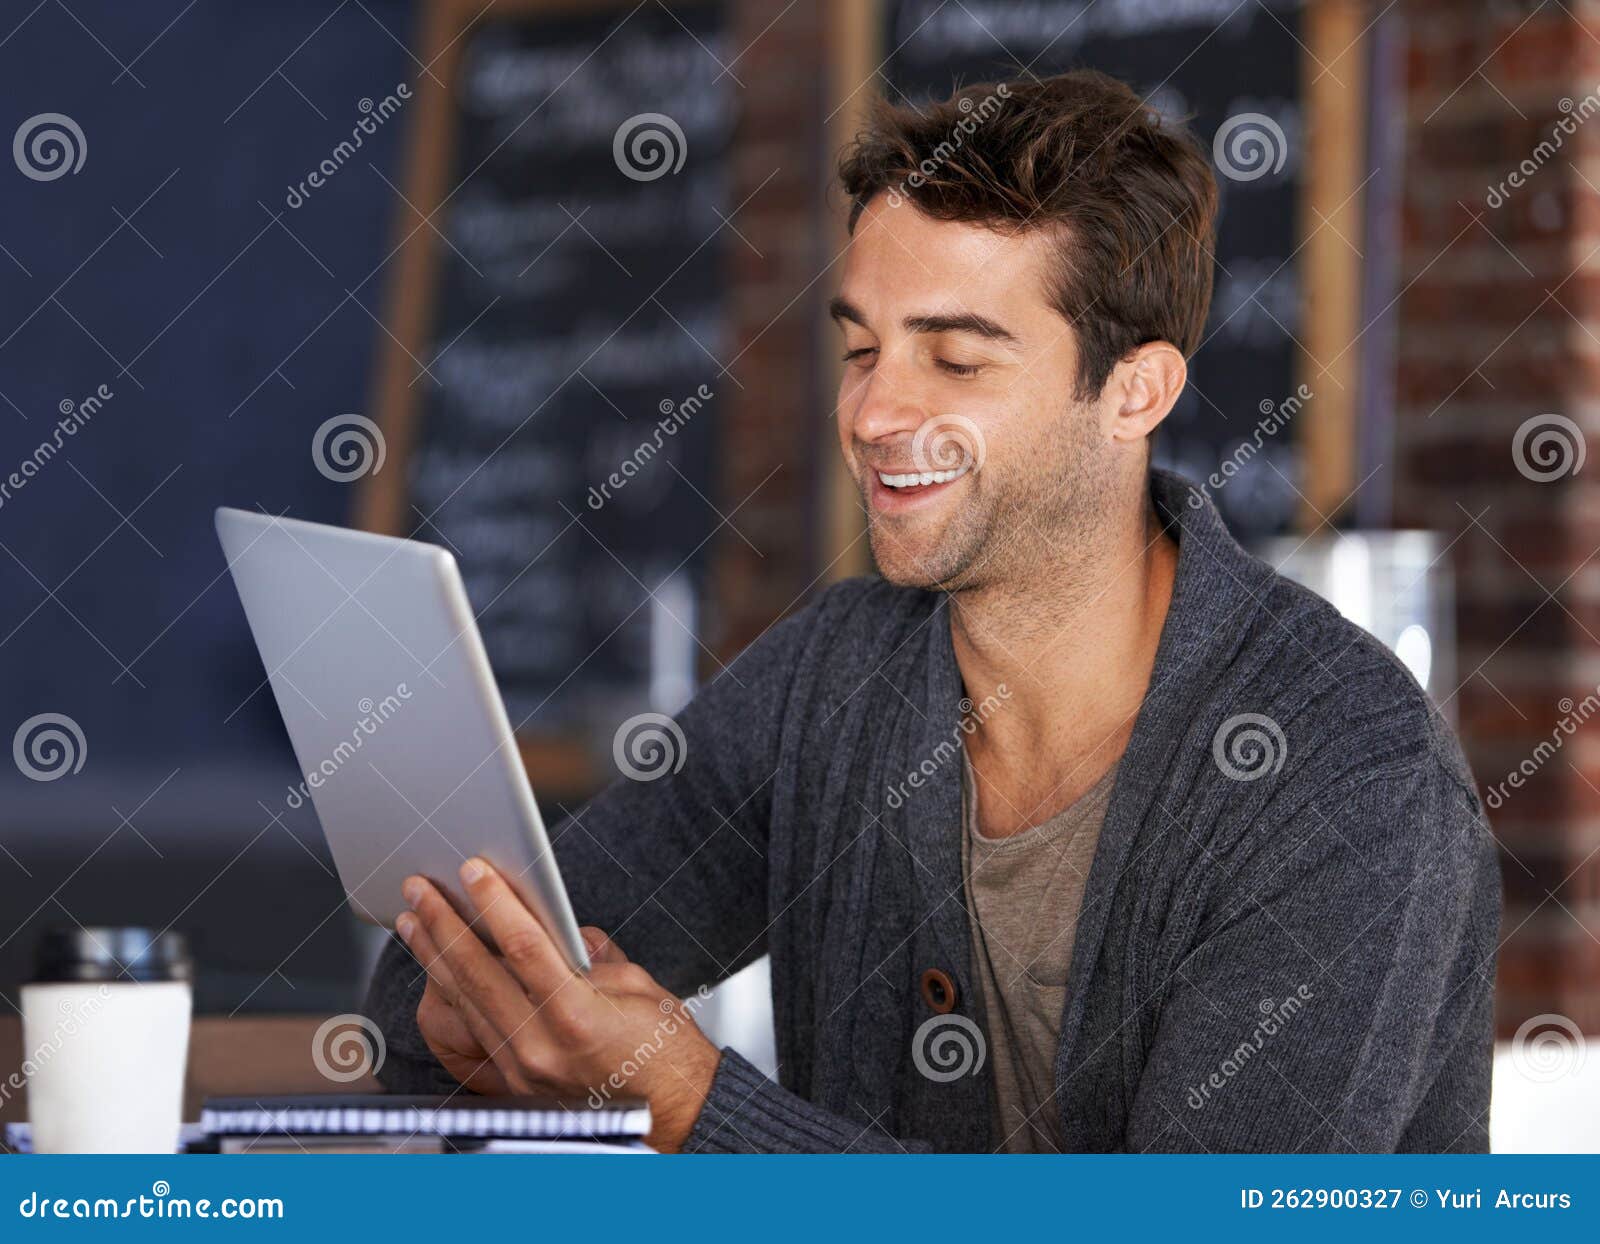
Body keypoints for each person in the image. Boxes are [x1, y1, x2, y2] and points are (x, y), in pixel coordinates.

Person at [366, 70, 1501, 1153]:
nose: (872, 411)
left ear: (1136, 390)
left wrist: (683, 1097)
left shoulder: (1347, 774)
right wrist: (487, 1016)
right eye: (862, 348)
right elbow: (424, 989)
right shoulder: (831, 678)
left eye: (955, 360)